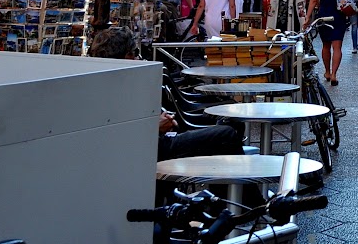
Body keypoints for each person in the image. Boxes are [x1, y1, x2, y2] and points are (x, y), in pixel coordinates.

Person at [91, 27, 244, 159]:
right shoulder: (114, 89)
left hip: (154, 142)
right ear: (127, 57)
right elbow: (115, 133)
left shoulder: (110, 85)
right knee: (226, 135)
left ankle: (230, 181)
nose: (139, 57)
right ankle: (240, 184)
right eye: (135, 52)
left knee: (228, 128)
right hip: (152, 148)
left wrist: (160, 121)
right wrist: (154, 126)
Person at [304, 0, 346, 86]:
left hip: (324, 15)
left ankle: (327, 72)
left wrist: (307, 17)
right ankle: (334, 74)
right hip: (339, 14)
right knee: (337, 46)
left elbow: (313, 0)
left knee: (326, 45)